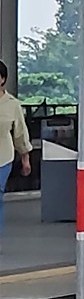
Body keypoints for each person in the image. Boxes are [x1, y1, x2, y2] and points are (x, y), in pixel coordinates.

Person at [0, 60, 33, 251]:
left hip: (3, 158)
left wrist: (25, 158)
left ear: (2, 79)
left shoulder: (12, 105)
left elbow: (20, 133)